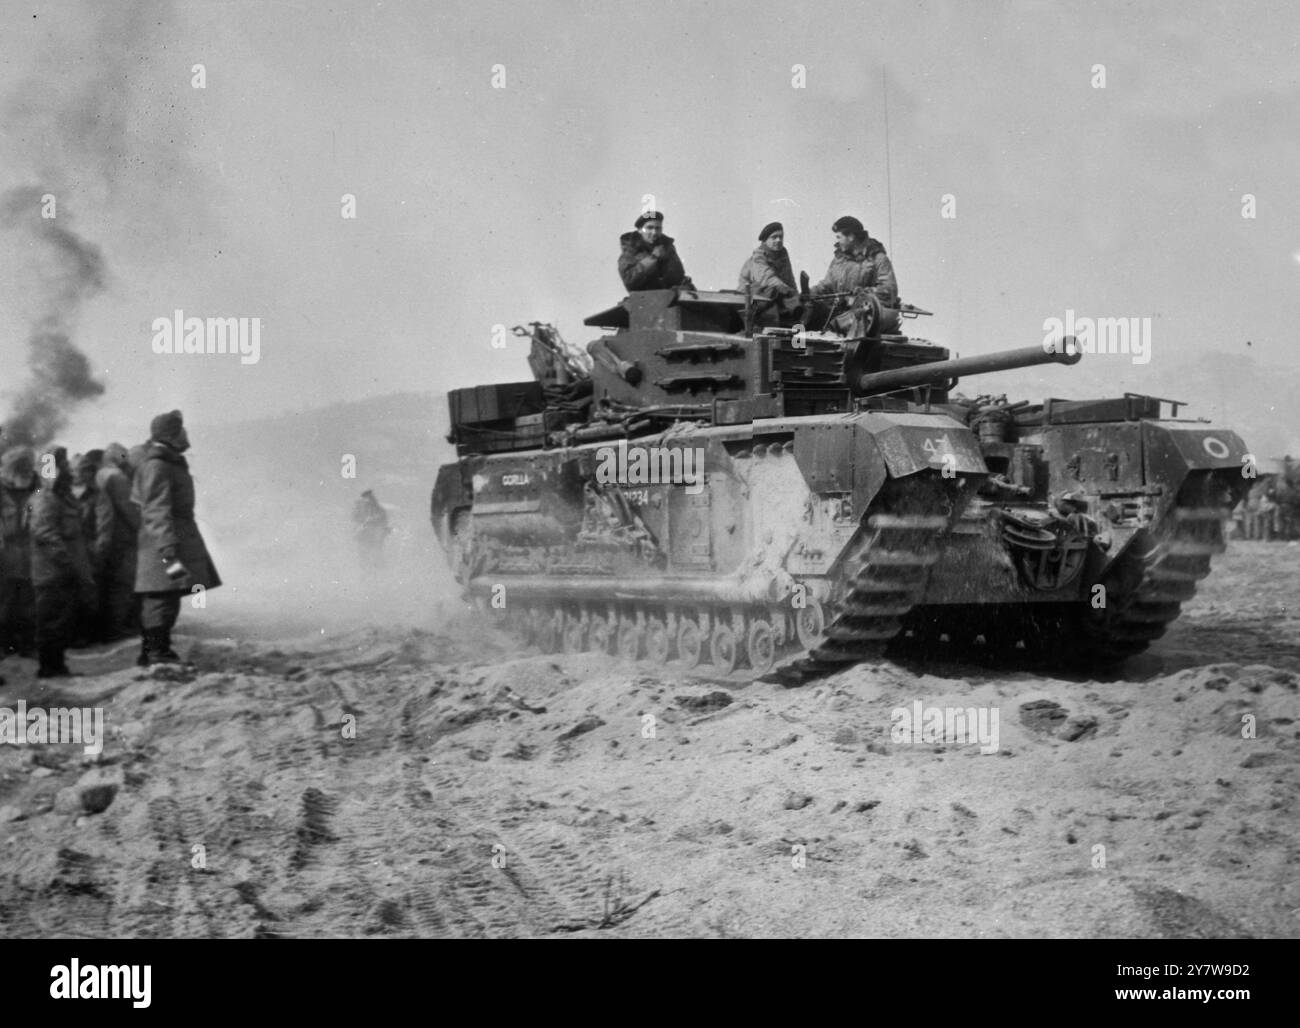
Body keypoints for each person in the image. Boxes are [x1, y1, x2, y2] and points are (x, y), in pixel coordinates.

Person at [133, 410, 222, 666]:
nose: (186, 435)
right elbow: (156, 508)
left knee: (168, 594)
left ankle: (156, 650)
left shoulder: (163, 462)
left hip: (169, 542)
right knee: (161, 596)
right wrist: (167, 546)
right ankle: (155, 652)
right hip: (164, 546)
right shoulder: (157, 465)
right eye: (181, 430)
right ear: (172, 434)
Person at [29, 446, 95, 678]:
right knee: (52, 623)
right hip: (53, 573)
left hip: (64, 572)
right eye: (64, 465)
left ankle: (57, 666)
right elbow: (45, 533)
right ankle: (50, 669)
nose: (69, 469)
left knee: (62, 621)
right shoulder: (45, 498)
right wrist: (67, 564)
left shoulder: (61, 497)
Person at [807, 216, 899, 328]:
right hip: (838, 315)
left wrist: (861, 295)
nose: (837, 241)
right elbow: (828, 285)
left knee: (838, 324)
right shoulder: (839, 260)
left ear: (851, 237)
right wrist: (809, 293)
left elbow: (889, 291)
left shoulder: (877, 259)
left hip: (863, 321)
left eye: (839, 237)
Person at [94, 442, 141, 641]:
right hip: (122, 538)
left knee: (107, 583)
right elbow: (130, 510)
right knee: (123, 584)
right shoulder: (117, 477)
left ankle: (106, 627)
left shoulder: (100, 474)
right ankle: (117, 628)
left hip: (105, 536)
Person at [0, 446, 39, 658]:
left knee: (28, 602)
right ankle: (5, 645)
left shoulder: (35, 486)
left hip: (29, 552)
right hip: (5, 553)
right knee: (5, 603)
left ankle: (27, 645)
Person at [738, 221, 799, 324]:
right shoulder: (758, 257)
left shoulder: (782, 255)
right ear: (765, 240)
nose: (778, 240)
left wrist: (796, 296)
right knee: (772, 292)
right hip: (751, 298)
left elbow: (789, 279)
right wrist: (789, 291)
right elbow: (766, 279)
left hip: (773, 295)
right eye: (774, 237)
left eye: (781, 237)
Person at [617, 211, 693, 292]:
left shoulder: (668, 249)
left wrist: (686, 286)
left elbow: (679, 276)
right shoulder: (630, 251)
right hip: (643, 300)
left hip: (669, 298)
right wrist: (653, 258)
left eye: (658, 228)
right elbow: (629, 280)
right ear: (640, 230)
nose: (654, 233)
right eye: (649, 228)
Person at [353, 489, 391, 570]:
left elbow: (382, 520)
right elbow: (356, 518)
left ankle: (378, 570)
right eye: (367, 498)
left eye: (369, 498)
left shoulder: (378, 509)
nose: (368, 501)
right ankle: (370, 570)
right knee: (366, 555)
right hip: (366, 536)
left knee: (375, 553)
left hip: (374, 535)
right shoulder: (362, 507)